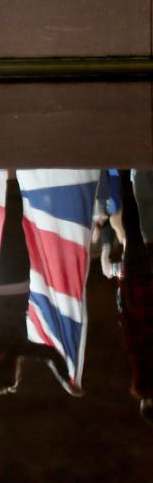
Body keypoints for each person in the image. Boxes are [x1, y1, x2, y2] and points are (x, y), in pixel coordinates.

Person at [0, 172, 83, 396]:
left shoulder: (21, 347)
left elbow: (51, 355)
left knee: (13, 221)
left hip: (16, 280)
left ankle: (11, 171)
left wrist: (66, 381)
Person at [113, 171, 153, 424]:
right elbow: (130, 334)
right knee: (133, 227)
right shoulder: (142, 380)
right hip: (138, 293)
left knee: (145, 228)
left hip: (145, 291)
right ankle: (126, 172)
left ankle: (140, 174)